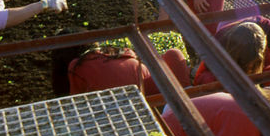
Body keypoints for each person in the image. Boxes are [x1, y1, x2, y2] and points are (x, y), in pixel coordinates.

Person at [50, 38, 191, 97]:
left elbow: (76, 100)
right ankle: (187, 92)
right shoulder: (114, 52)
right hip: (151, 90)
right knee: (174, 53)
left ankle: (186, 93)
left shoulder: (76, 67)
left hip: (140, 95)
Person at [193, 16, 270, 88]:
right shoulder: (220, 40)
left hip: (260, 65)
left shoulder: (267, 28)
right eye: (248, 66)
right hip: (228, 69)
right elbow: (202, 75)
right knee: (209, 79)